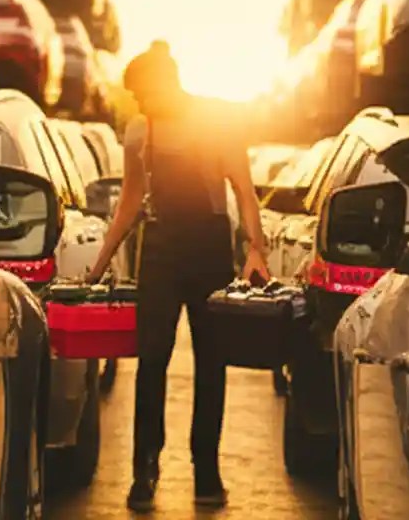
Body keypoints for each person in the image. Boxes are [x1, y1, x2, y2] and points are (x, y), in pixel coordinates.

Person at [85, 41, 270, 512]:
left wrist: (256, 248)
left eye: (145, 95)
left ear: (167, 83)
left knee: (212, 363)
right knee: (152, 361)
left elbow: (245, 192)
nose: (141, 106)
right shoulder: (140, 132)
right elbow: (130, 199)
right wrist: (100, 264)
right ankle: (144, 469)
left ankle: (205, 471)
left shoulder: (218, 124)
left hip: (210, 251)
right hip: (161, 251)